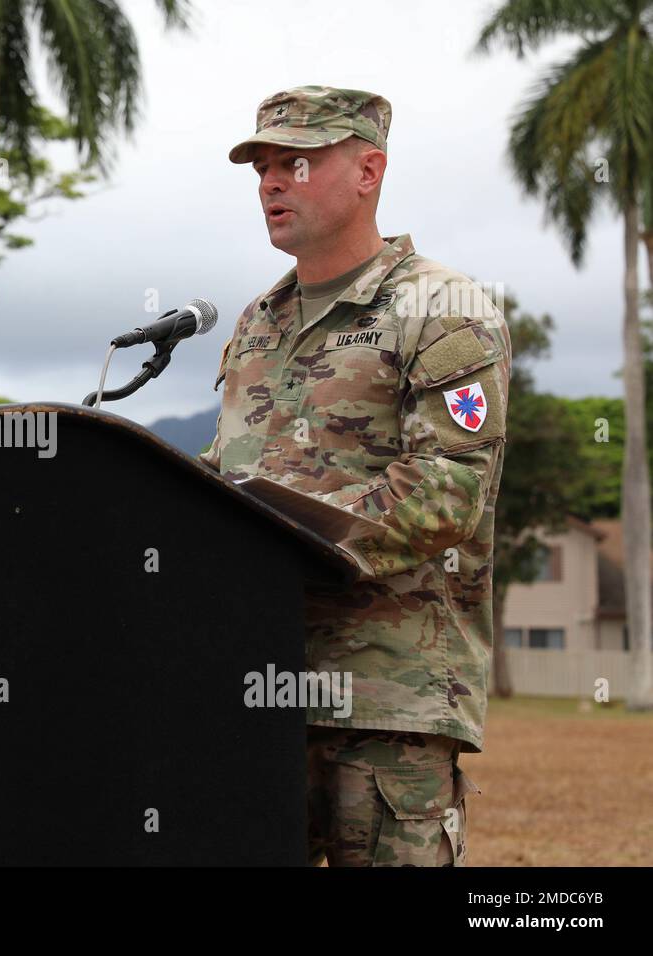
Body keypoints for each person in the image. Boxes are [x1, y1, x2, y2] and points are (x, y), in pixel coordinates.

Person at [200, 85, 510, 866]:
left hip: (384, 699)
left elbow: (447, 493)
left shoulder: (442, 308)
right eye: (263, 166)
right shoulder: (257, 323)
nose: (271, 182)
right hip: (254, 688)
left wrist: (278, 540)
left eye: (295, 163)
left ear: (368, 170)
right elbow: (222, 478)